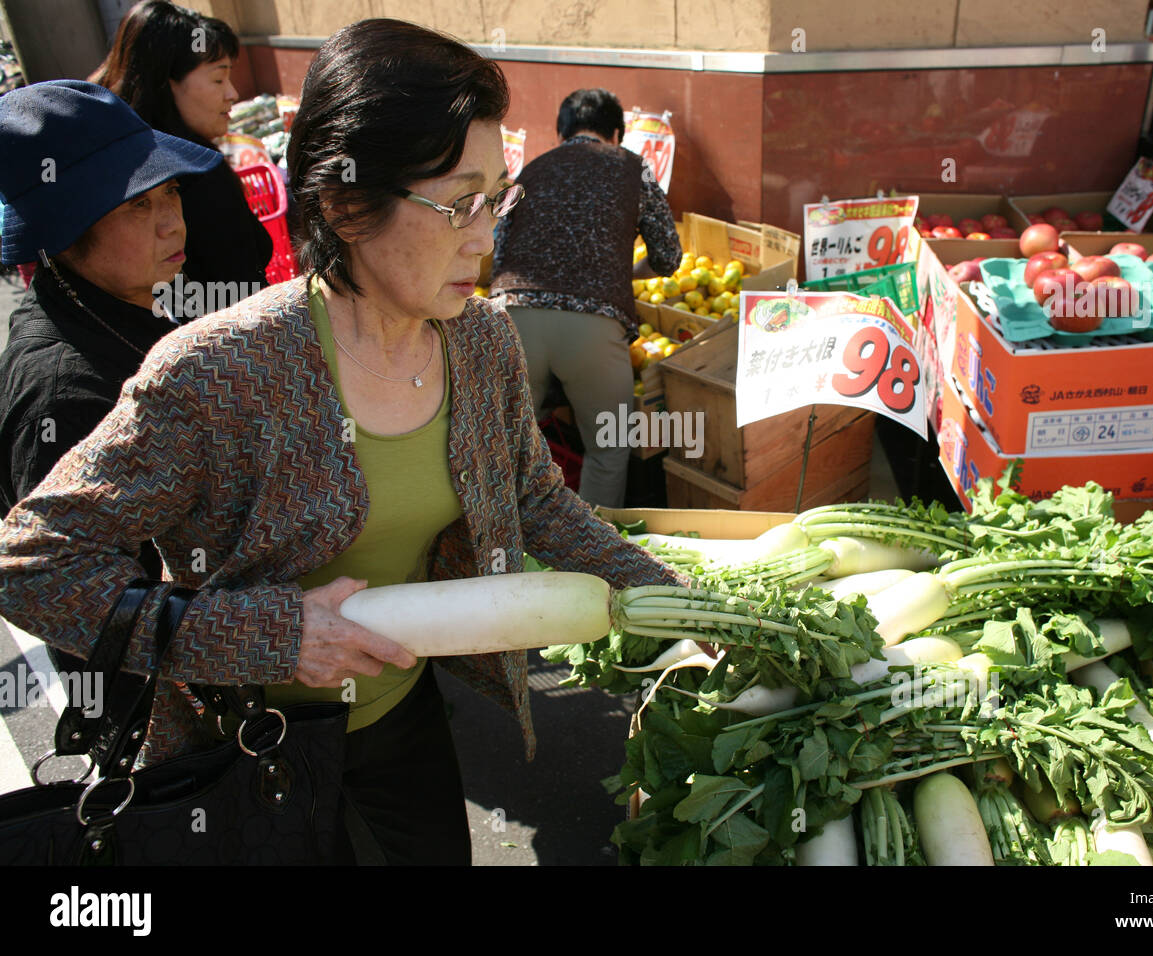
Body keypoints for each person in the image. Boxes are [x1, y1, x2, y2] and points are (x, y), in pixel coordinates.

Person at [0, 19, 687, 866]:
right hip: (248, 760)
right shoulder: (223, 370)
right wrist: (270, 634)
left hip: (405, 729)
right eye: (458, 203)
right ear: (343, 202)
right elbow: (31, 564)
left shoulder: (481, 343)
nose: (486, 236)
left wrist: (680, 600)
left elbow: (535, 498)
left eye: (498, 198)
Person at [0, 80, 220, 521]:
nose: (171, 224)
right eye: (138, 204)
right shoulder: (65, 401)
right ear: (65, 231)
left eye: (171, 191)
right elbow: (71, 581)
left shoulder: (126, 299)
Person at [491, 88, 682, 508]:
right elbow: (669, 257)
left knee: (505, 452)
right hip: (594, 325)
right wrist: (625, 276)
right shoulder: (635, 168)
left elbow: (499, 254)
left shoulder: (530, 172)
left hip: (512, 320)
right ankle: (593, 562)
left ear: (561, 132)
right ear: (617, 132)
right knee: (609, 450)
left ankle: (502, 553)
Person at [90, 0, 273, 297]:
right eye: (218, 78)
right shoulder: (200, 175)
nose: (232, 93)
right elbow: (238, 293)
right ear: (167, 82)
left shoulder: (114, 163)